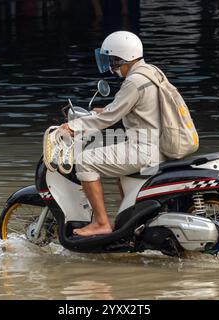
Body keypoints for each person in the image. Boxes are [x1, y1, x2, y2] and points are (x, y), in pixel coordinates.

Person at [59, 31, 163, 236]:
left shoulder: (133, 81)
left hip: (143, 149)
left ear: (124, 57)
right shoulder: (150, 72)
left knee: (85, 160)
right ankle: (129, 223)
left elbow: (108, 119)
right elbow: (130, 107)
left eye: (114, 60)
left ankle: (101, 223)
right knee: (116, 168)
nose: (112, 66)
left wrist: (74, 126)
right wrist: (106, 109)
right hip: (155, 145)